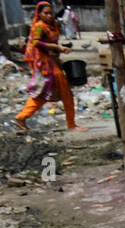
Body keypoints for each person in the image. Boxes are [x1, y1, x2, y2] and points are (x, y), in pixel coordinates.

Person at [15, 3, 86, 133]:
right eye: (45, 13)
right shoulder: (39, 27)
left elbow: (51, 43)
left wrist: (60, 49)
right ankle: (71, 124)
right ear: (39, 14)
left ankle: (22, 117)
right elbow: (36, 43)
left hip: (54, 62)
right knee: (65, 94)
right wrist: (56, 48)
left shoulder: (51, 26)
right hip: (47, 64)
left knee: (44, 94)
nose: (48, 16)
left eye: (50, 13)